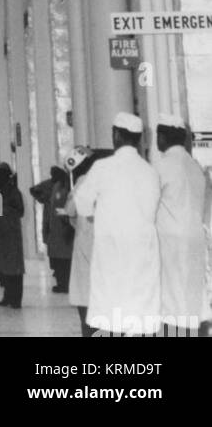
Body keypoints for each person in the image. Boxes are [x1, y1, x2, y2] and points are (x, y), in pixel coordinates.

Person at [72, 111, 161, 336]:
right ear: (140, 139)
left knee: (110, 318)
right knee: (138, 317)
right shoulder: (150, 172)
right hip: (143, 255)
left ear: (116, 135)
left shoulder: (103, 168)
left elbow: (82, 205)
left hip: (111, 253)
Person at [154, 113, 211, 336]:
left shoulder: (162, 167)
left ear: (163, 137)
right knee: (192, 299)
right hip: (195, 240)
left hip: (170, 243)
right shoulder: (195, 167)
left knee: (171, 302)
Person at [61, 146, 107, 337]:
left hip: (87, 250)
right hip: (108, 250)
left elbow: (70, 211)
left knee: (87, 305)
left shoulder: (81, 184)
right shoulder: (108, 180)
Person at [29, 164, 74, 292]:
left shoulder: (64, 187)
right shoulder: (55, 186)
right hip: (55, 227)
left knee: (63, 259)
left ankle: (64, 283)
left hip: (61, 228)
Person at [0, 163, 26, 309]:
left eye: (0, 175)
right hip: (0, 235)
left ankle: (16, 299)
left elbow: (20, 211)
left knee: (14, 269)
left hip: (12, 235)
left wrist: (6, 210)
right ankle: (7, 297)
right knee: (3, 268)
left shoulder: (13, 191)